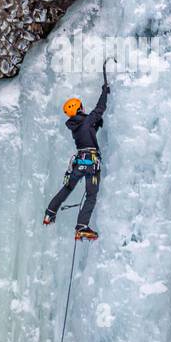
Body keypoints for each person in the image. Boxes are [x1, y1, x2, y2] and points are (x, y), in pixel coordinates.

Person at [43, 80, 109, 240]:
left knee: (67, 189)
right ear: (79, 108)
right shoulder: (86, 121)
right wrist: (105, 91)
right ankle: (81, 226)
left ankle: (50, 213)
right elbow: (100, 109)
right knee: (91, 195)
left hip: (78, 163)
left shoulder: (76, 127)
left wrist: (96, 125)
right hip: (91, 163)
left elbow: (89, 130)